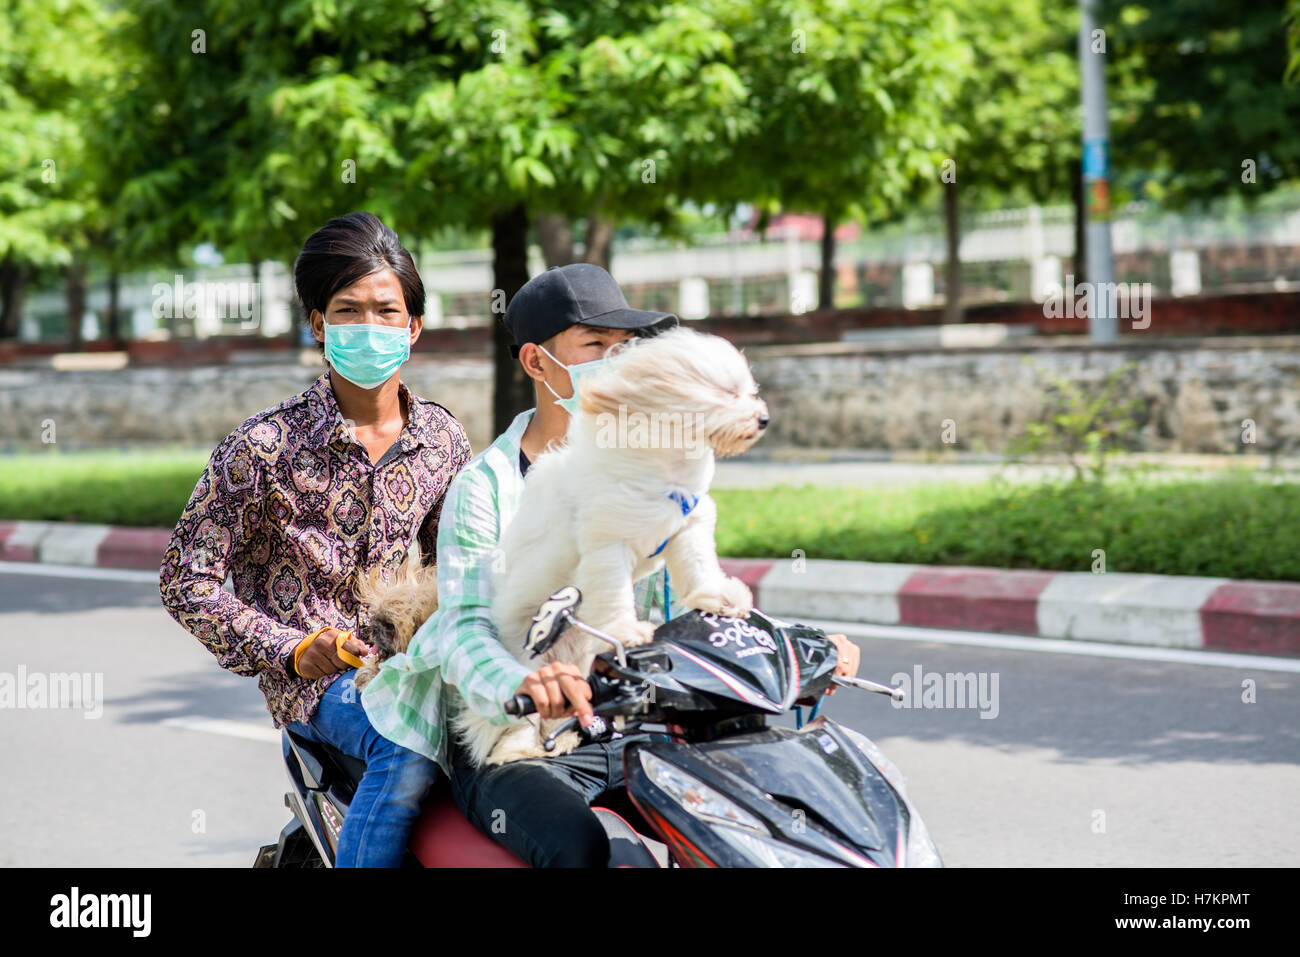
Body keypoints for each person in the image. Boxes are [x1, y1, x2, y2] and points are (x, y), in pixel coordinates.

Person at [362, 263, 862, 867]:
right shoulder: (485, 486)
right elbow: (465, 630)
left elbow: (699, 598)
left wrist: (792, 648)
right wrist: (524, 685)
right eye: (594, 345)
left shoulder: (667, 459)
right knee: (581, 849)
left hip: (638, 721)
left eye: (624, 348)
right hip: (520, 739)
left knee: (763, 822)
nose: (615, 361)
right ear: (537, 364)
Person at [159, 211, 471, 867]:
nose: (369, 327)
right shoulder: (263, 447)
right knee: (409, 742)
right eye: (347, 310)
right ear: (318, 325)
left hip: (419, 665)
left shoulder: (443, 440)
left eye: (386, 311)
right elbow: (186, 579)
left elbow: (464, 562)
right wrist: (294, 648)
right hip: (319, 686)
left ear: (413, 327)